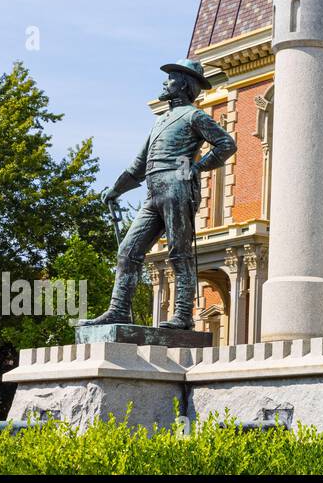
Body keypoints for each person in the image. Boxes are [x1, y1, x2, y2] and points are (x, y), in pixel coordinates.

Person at [79, 59, 236, 329]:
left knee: (179, 252)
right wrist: (115, 189)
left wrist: (196, 166)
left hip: (177, 188)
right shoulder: (160, 122)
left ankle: (183, 315)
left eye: (171, 78)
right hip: (153, 192)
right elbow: (139, 165)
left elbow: (226, 144)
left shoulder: (194, 116)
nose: (165, 83)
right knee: (127, 251)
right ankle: (118, 310)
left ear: (184, 85)